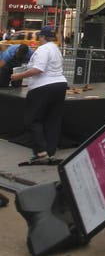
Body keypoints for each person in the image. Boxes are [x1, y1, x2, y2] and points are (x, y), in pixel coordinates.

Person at [11, 26, 67, 164]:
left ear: (42, 37)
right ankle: (50, 152)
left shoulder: (43, 49)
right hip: (60, 85)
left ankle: (41, 152)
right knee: (52, 120)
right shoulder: (55, 49)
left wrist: (18, 76)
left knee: (32, 120)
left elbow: (38, 69)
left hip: (43, 86)